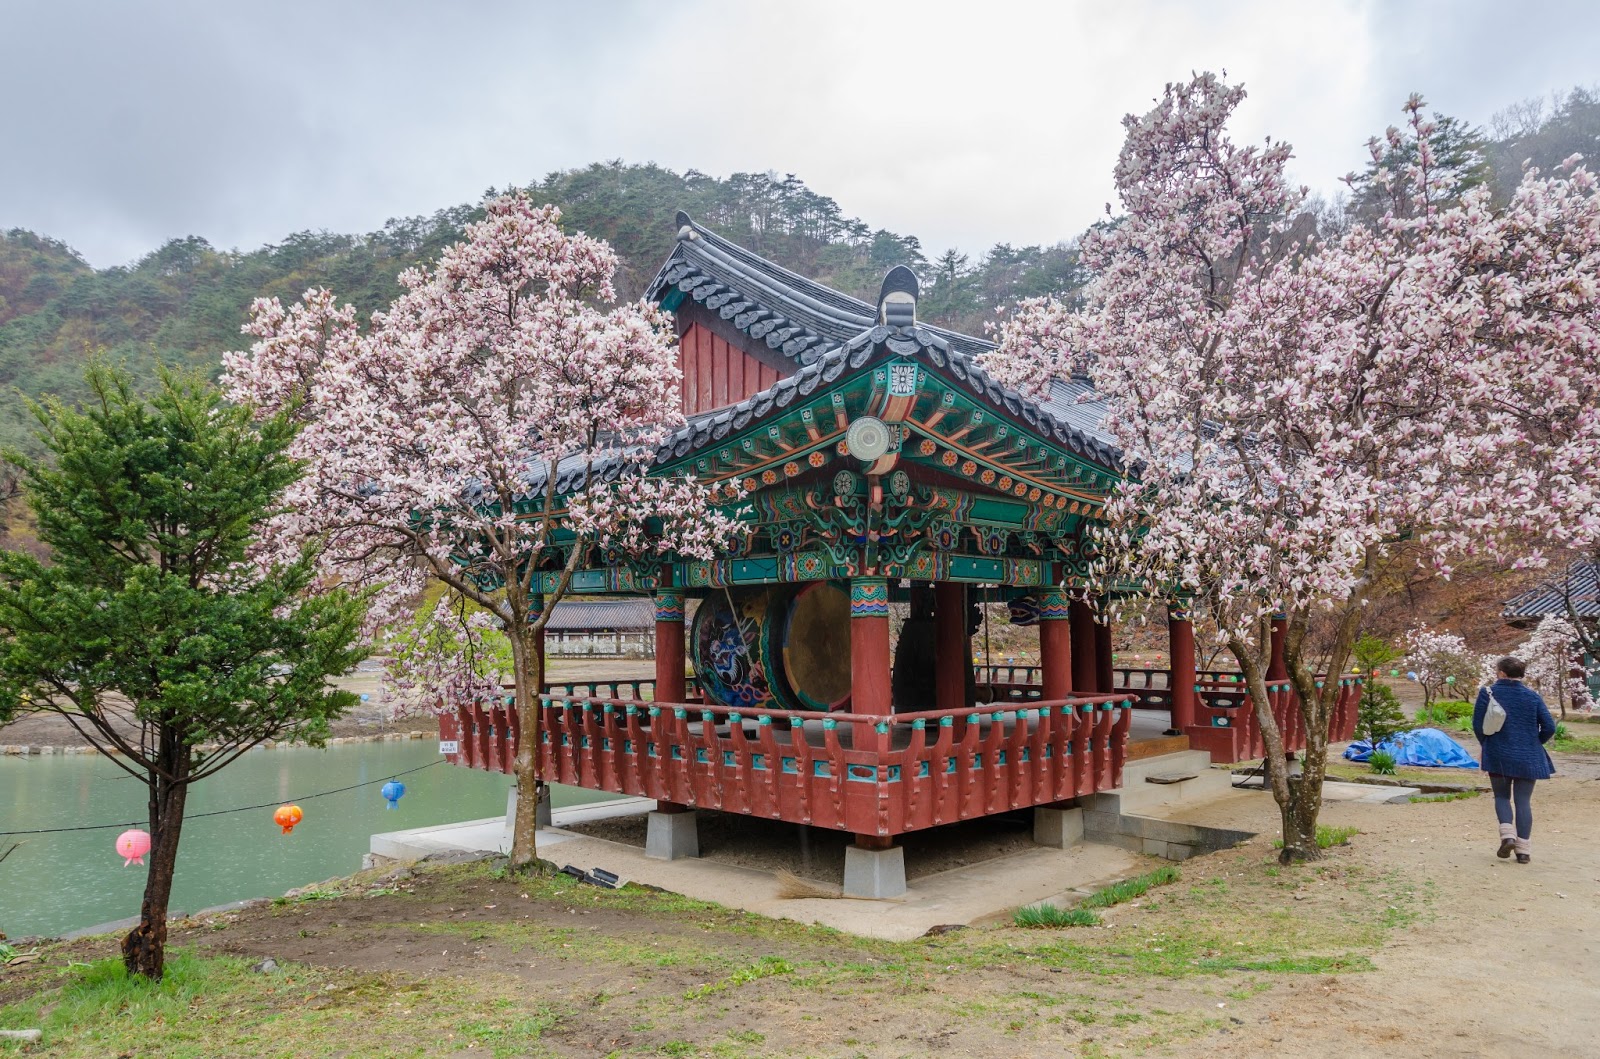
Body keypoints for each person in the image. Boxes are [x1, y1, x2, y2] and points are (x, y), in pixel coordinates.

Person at [1472, 656, 1557, 864]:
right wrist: (1534, 742)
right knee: (1523, 802)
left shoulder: (1488, 692)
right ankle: (1523, 852)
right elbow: (1549, 727)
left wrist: (1488, 743)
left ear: (1502, 673)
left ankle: (1507, 837)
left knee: (1501, 797)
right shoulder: (1533, 697)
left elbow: (1477, 724)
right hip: (1529, 756)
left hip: (1498, 753)